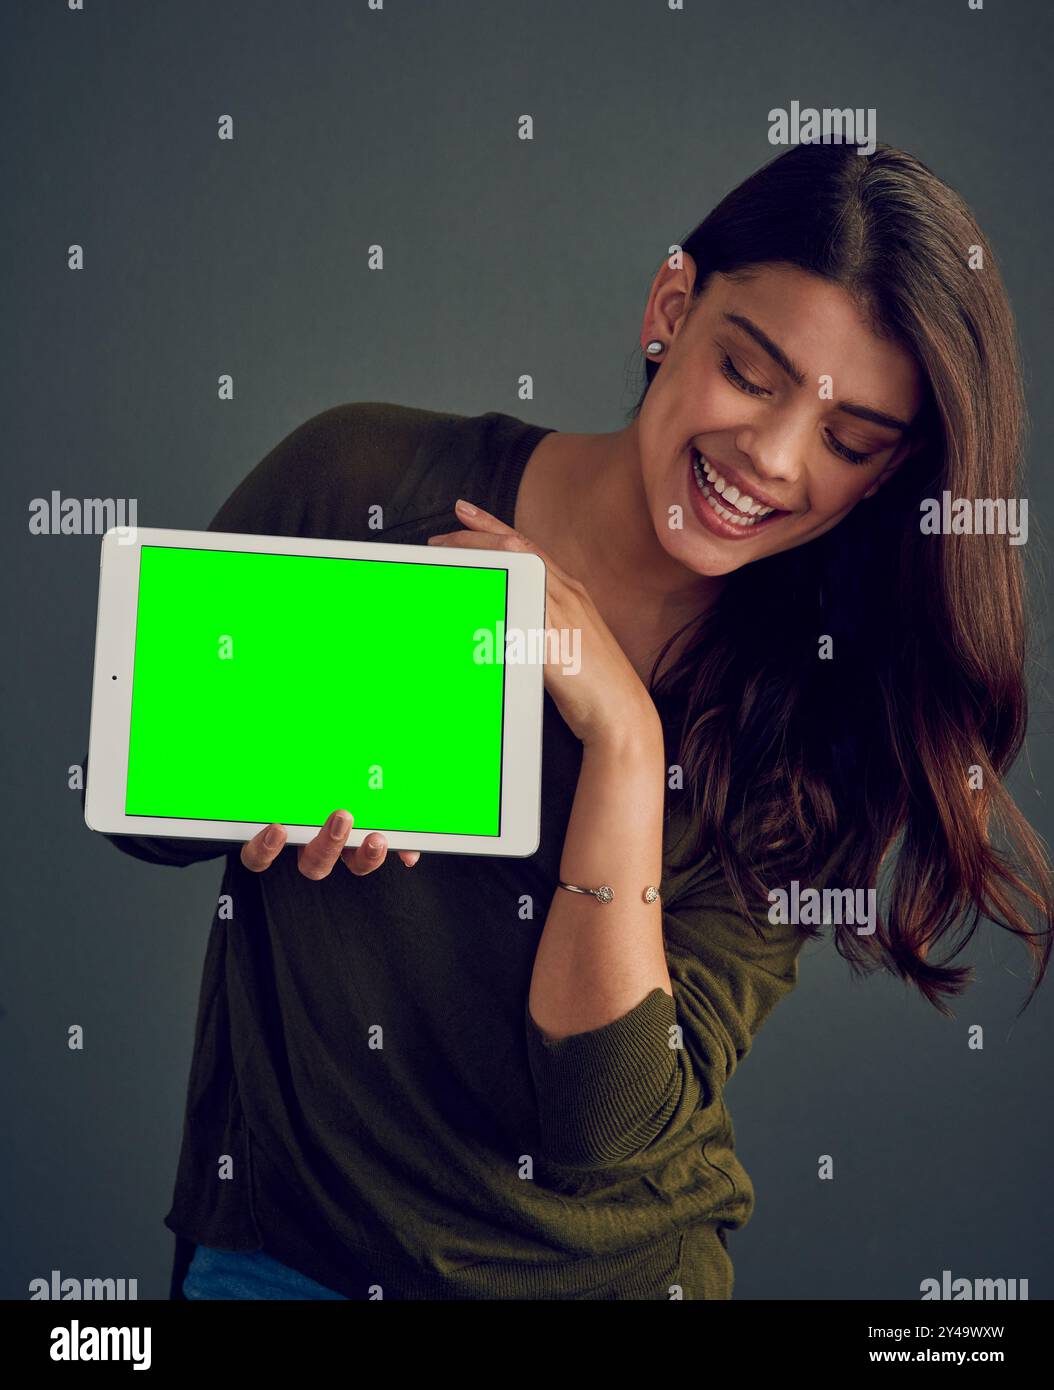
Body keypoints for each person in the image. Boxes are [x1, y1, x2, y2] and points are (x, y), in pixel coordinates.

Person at [90, 141, 1053, 1300]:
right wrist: (267, 766)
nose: (774, 456)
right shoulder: (364, 483)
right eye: (750, 374)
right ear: (670, 305)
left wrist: (625, 744)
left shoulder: (824, 723)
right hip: (280, 1256)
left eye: (849, 444)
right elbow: (140, 818)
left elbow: (601, 1127)